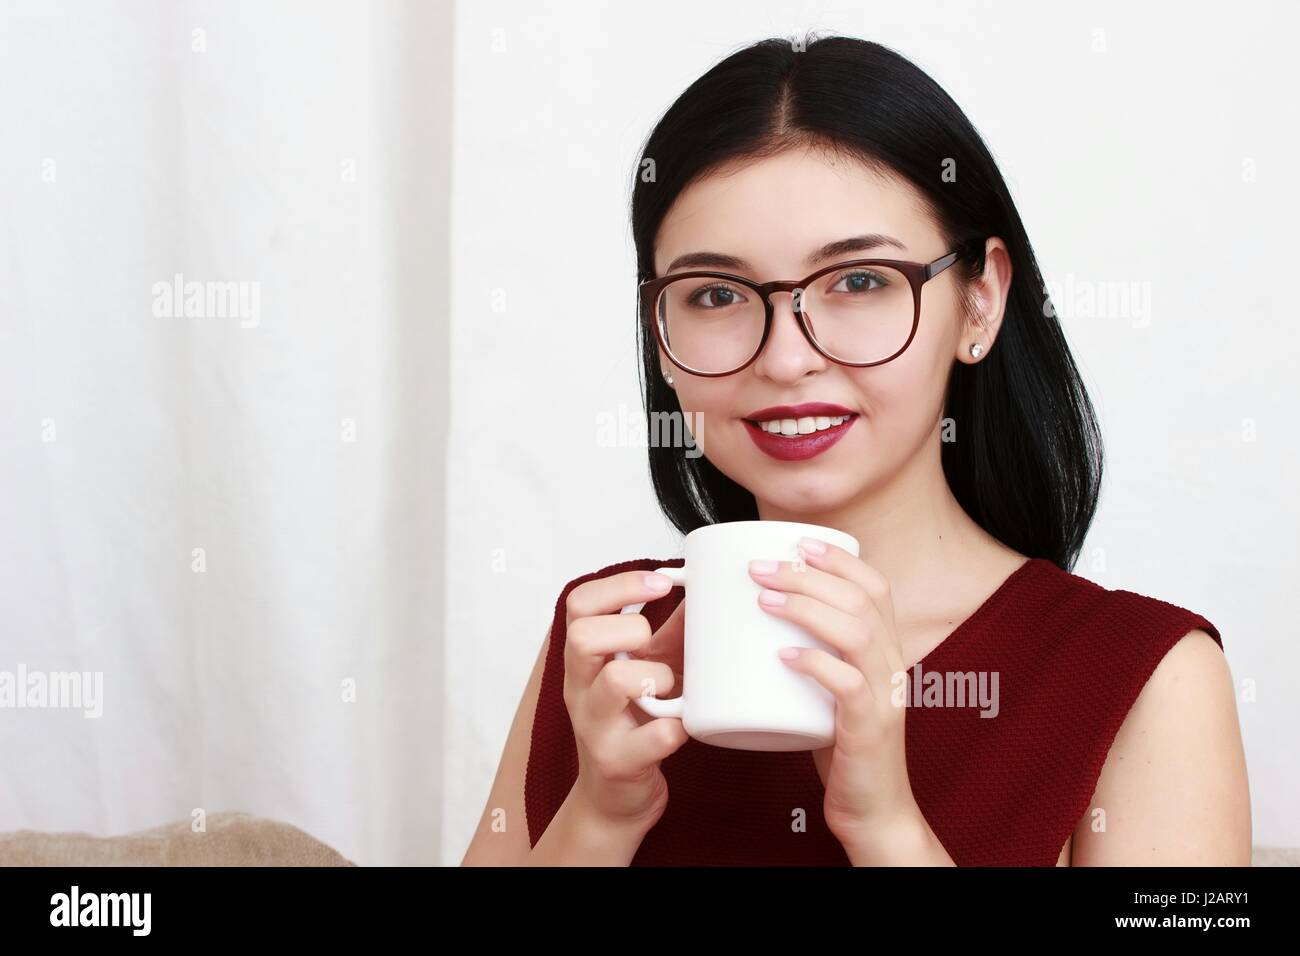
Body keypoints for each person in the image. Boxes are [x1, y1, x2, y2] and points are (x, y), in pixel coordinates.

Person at [461, 34, 1250, 866]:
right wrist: (601, 814)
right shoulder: (606, 645)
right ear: (658, 332)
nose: (785, 358)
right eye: (717, 294)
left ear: (980, 302)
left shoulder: (1144, 676)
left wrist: (885, 826)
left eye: (860, 281)